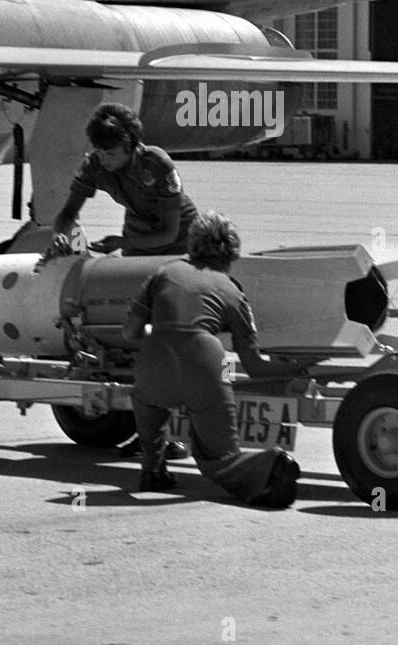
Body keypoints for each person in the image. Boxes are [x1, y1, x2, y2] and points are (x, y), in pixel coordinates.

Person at [122, 212, 301, 507]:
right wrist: (297, 368)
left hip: (156, 356)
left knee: (146, 401)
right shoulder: (232, 290)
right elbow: (254, 365)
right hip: (203, 360)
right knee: (216, 457)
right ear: (231, 254)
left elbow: (130, 332)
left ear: (193, 244)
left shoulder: (164, 272)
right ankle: (270, 468)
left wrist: (164, 334)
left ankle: (152, 470)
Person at [51, 103, 198, 256]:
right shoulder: (94, 165)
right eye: (99, 151)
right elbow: (68, 212)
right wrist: (58, 234)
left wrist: (120, 242)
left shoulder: (157, 164)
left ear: (130, 147)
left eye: (110, 154)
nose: (102, 159)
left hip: (181, 238)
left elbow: (169, 233)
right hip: (138, 232)